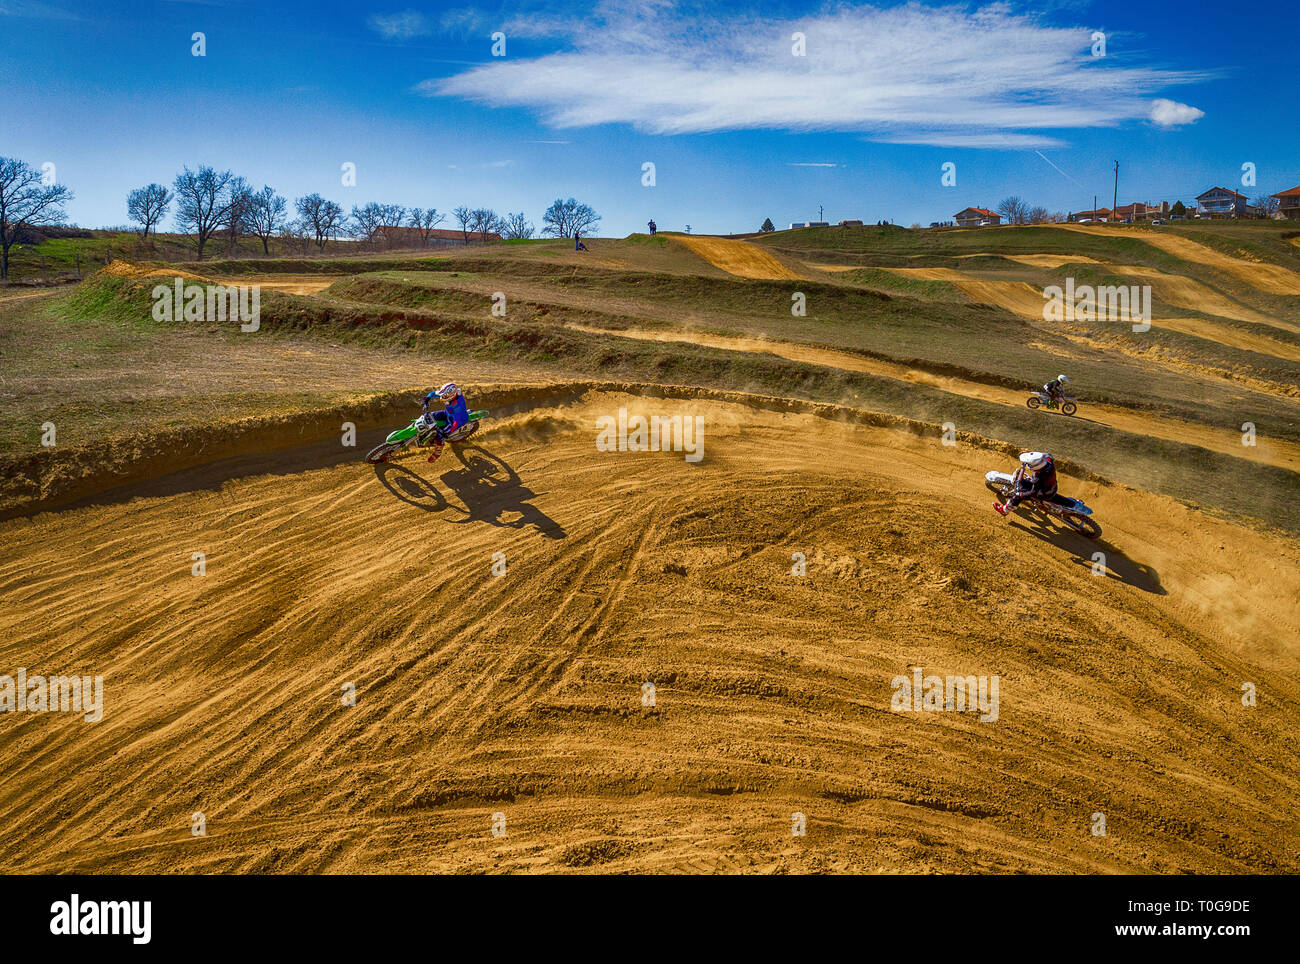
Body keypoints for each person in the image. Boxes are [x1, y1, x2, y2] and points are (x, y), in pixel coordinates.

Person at [994, 452, 1072, 516]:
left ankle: (1004, 510)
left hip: (1044, 494)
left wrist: (1021, 494)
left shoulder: (1038, 477)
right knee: (1027, 483)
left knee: (1017, 496)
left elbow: (1032, 491)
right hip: (1052, 487)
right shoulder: (1049, 460)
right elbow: (1047, 454)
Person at [415, 382, 469, 462]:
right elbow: (434, 393)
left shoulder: (457, 404)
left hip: (456, 420)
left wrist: (448, 432)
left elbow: (456, 422)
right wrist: (427, 399)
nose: (443, 397)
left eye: (445, 396)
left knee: (440, 435)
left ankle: (438, 450)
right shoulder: (448, 394)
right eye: (443, 394)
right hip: (447, 413)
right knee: (429, 416)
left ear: (452, 395)